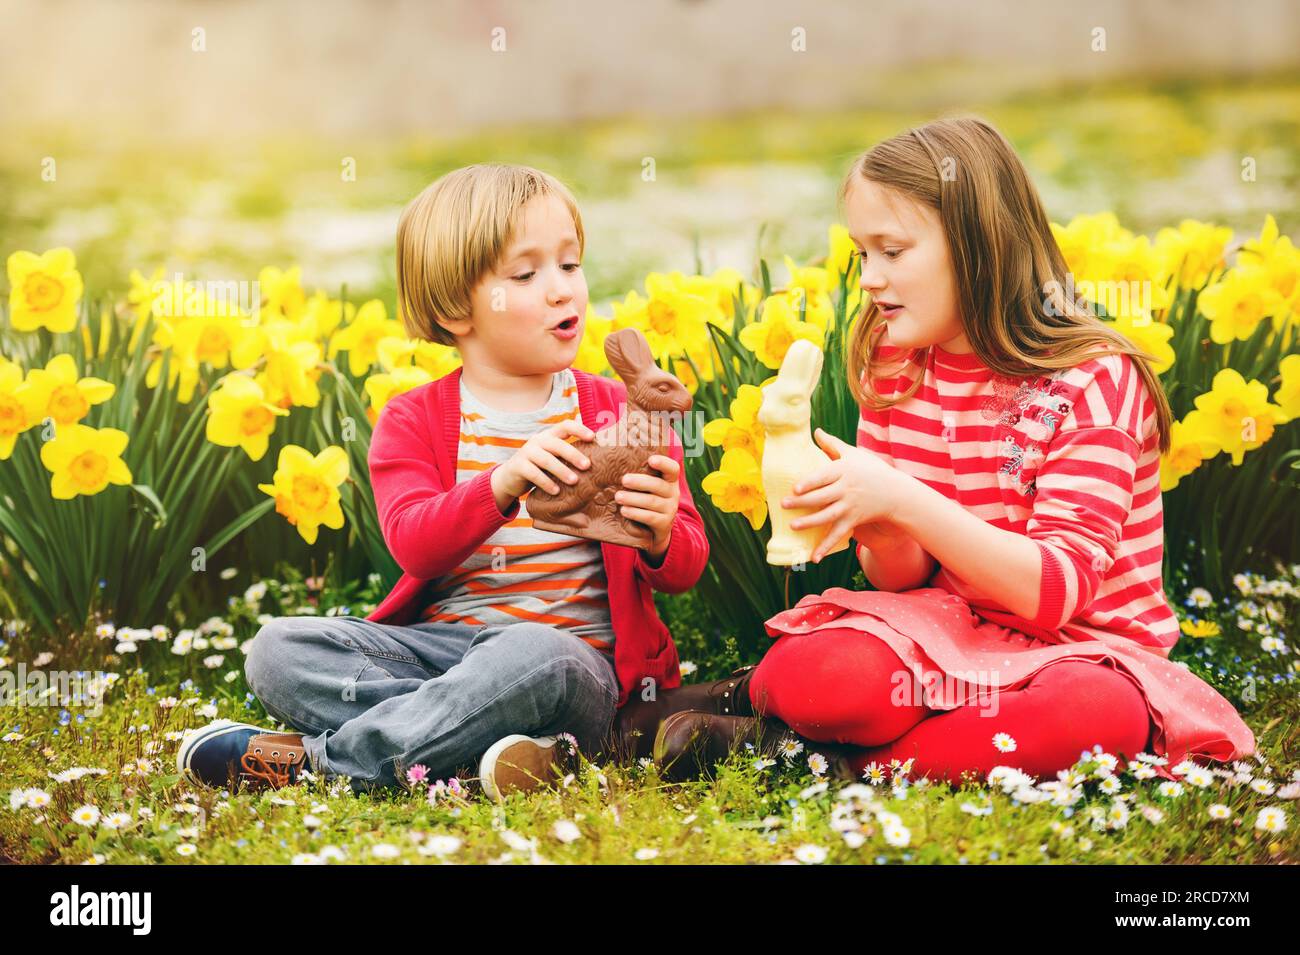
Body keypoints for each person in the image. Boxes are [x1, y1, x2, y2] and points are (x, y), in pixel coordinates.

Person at [643, 117, 1255, 786]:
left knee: (1092, 717)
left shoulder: (1092, 381)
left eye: (892, 251)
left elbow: (1057, 593)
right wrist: (880, 524)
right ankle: (803, 730)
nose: (870, 278)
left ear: (979, 246)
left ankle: (809, 756)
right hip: (943, 632)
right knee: (817, 673)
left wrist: (904, 499)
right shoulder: (898, 365)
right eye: (861, 255)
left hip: (1083, 652)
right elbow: (899, 578)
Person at [179, 163, 709, 799]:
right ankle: (498, 745)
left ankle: (322, 764)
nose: (562, 290)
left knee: (532, 656)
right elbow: (415, 545)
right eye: (527, 273)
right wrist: (501, 484)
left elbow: (684, 564)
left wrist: (656, 537)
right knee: (276, 648)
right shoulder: (413, 419)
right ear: (458, 306)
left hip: (574, 668)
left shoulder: (617, 410)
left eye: (569, 265)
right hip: (440, 652)